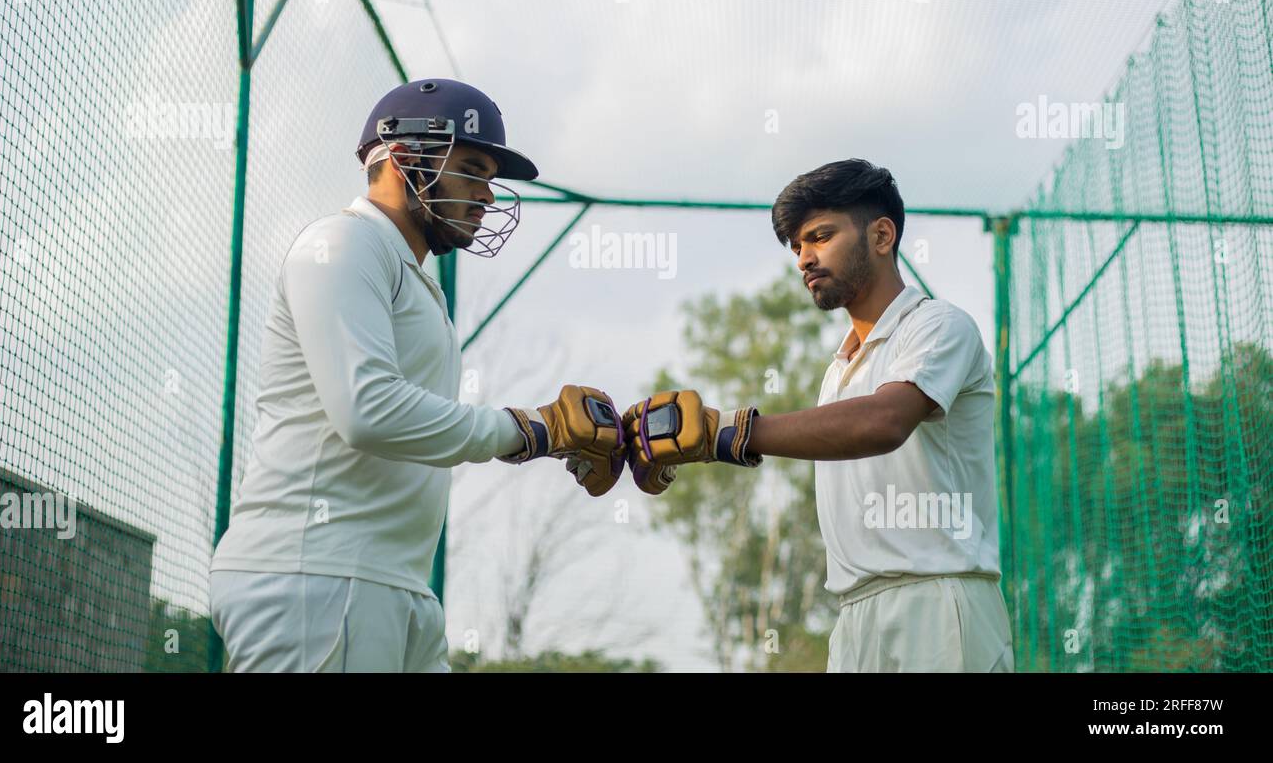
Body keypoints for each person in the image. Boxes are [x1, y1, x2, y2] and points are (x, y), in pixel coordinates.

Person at [210, 78, 625, 672]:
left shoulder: (411, 276)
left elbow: (409, 425)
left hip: (389, 583)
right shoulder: (342, 244)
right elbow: (368, 411)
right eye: (473, 170)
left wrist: (557, 440)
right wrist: (534, 430)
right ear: (404, 158)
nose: (486, 196)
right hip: (315, 576)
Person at [624, 159, 1014, 673]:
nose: (805, 258)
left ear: (881, 235)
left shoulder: (939, 324)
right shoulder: (839, 370)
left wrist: (730, 434)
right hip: (854, 616)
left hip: (938, 604)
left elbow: (883, 423)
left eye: (820, 236)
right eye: (796, 247)